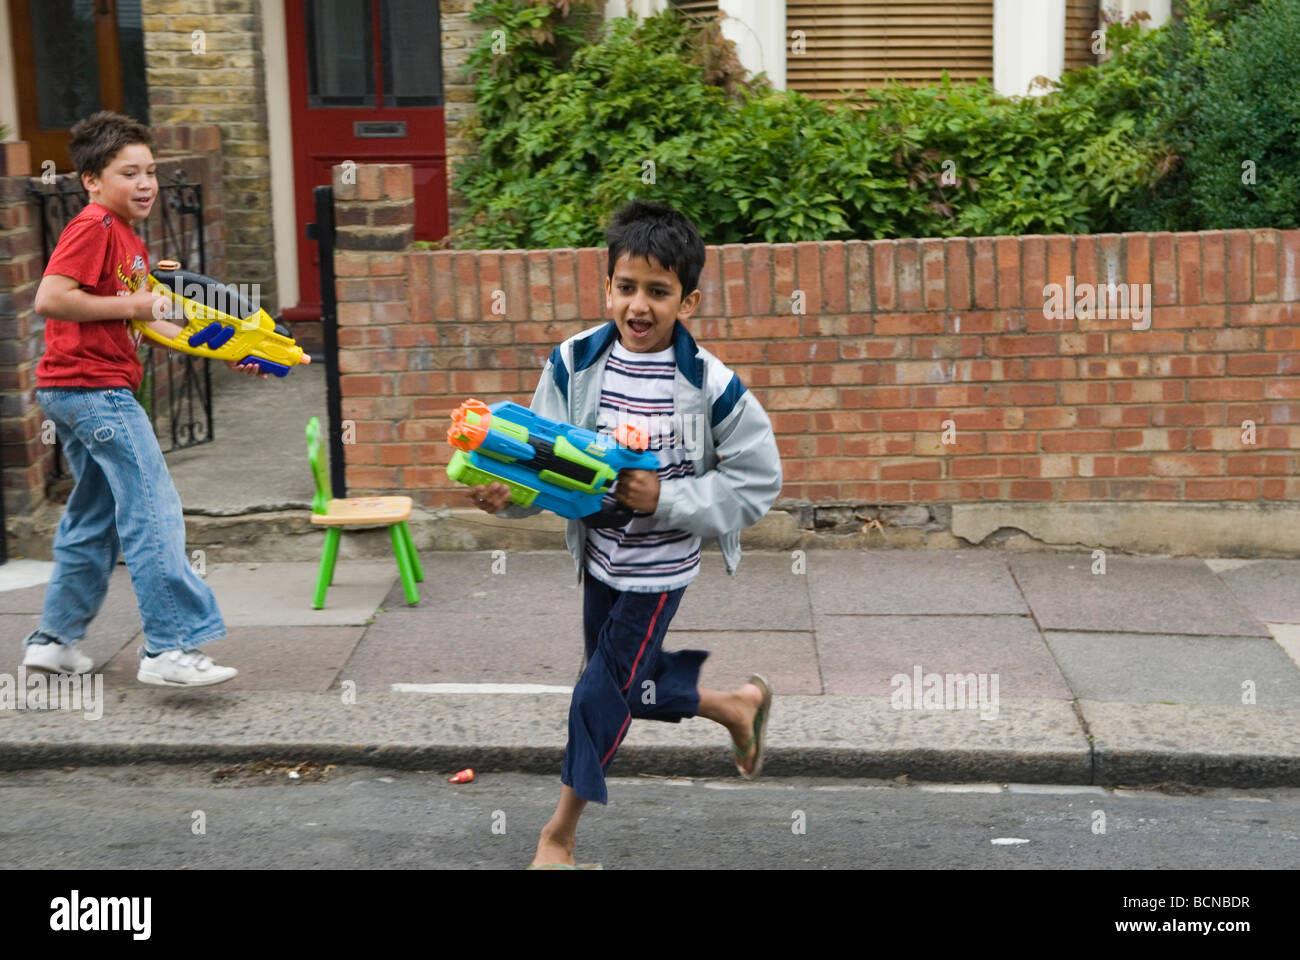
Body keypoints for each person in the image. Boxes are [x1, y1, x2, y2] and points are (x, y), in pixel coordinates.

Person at [467, 200, 784, 868]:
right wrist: (508, 497)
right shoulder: (575, 363)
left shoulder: (710, 385)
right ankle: (735, 706)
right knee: (630, 687)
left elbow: (758, 482)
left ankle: (558, 836)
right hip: (599, 559)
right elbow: (543, 463)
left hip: (659, 570)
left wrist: (665, 496)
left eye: (658, 292)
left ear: (688, 301)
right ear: (608, 285)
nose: (639, 306)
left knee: (597, 692)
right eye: (627, 287)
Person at [23, 110, 260, 687]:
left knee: (95, 515)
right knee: (152, 507)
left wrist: (232, 349)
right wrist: (135, 305)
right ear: (92, 181)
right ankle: (169, 648)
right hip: (94, 391)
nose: (147, 183)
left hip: (72, 391)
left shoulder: (126, 239)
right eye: (130, 173)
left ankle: (53, 641)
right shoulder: (94, 227)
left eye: (150, 171)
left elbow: (162, 323)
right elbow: (51, 298)